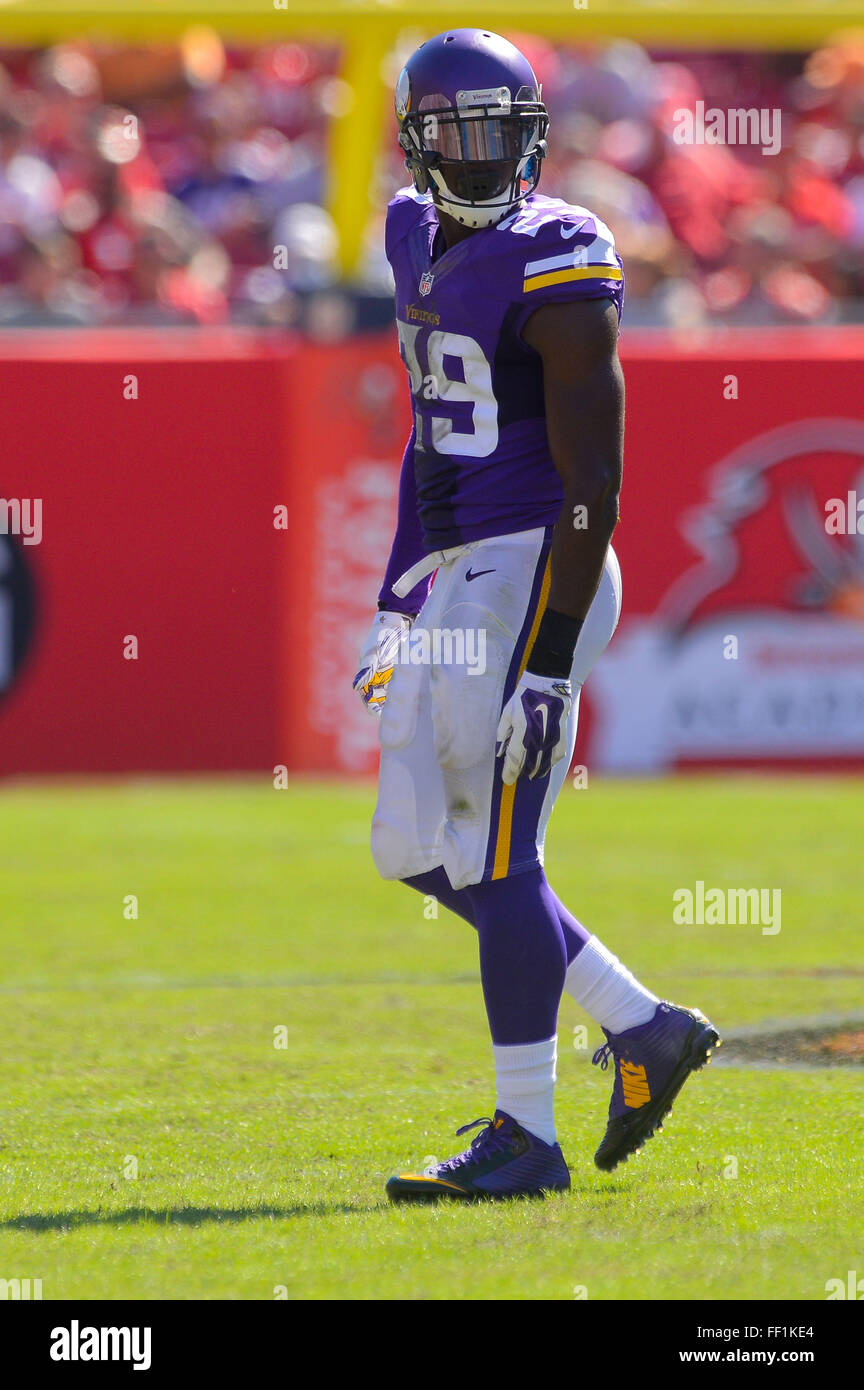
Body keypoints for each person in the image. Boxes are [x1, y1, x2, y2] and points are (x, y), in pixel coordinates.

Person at [354, 28, 720, 1202]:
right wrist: (397, 600)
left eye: (497, 133)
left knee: (504, 855)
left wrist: (550, 663)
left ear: (533, 138)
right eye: (452, 134)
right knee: (417, 846)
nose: (475, 157)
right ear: (416, 142)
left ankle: (527, 1132)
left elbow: (593, 485)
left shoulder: (560, 251)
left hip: (536, 573)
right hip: (460, 578)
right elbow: (426, 434)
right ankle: (643, 1025)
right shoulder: (410, 235)